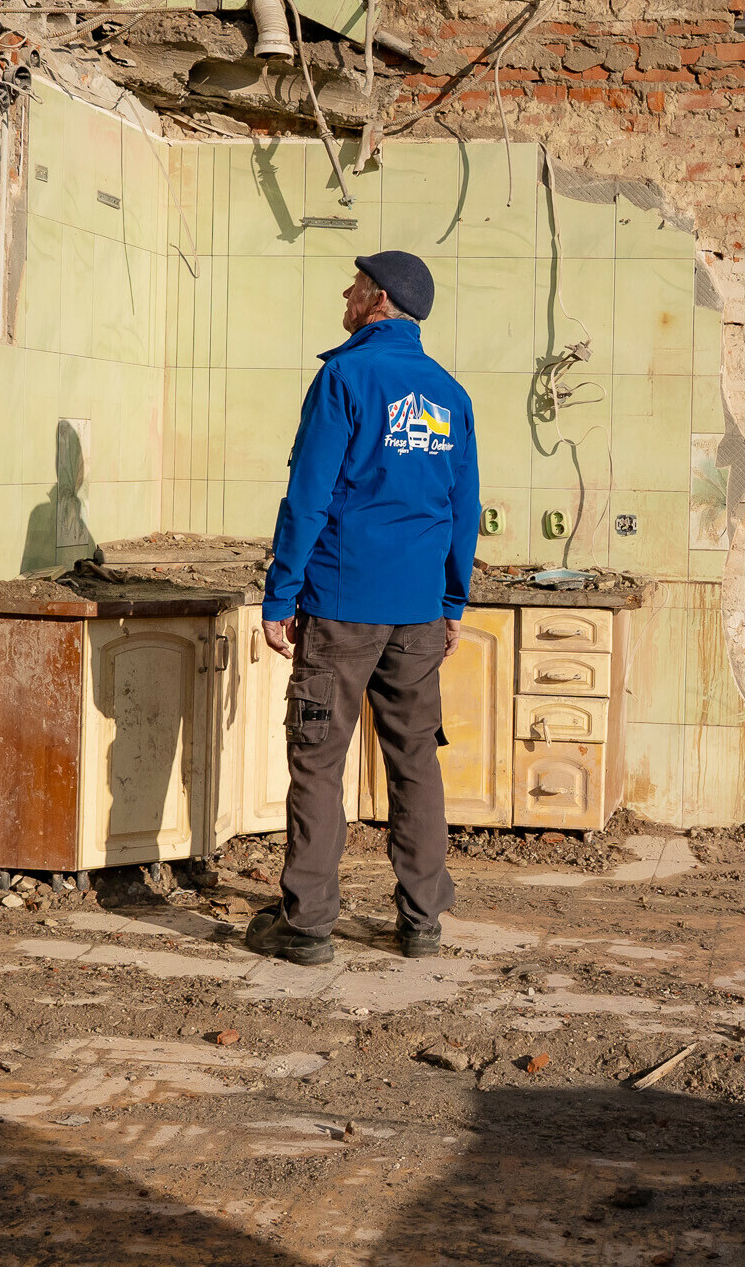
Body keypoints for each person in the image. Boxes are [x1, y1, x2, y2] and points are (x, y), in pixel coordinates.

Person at [244, 251, 480, 965]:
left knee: (318, 760)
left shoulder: (345, 376)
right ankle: (421, 921)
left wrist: (280, 595)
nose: (345, 292)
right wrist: (450, 602)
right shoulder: (450, 394)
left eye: (354, 284)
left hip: (344, 603)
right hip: (416, 613)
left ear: (376, 299)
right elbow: (462, 509)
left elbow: (309, 496)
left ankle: (310, 925)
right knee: (414, 762)